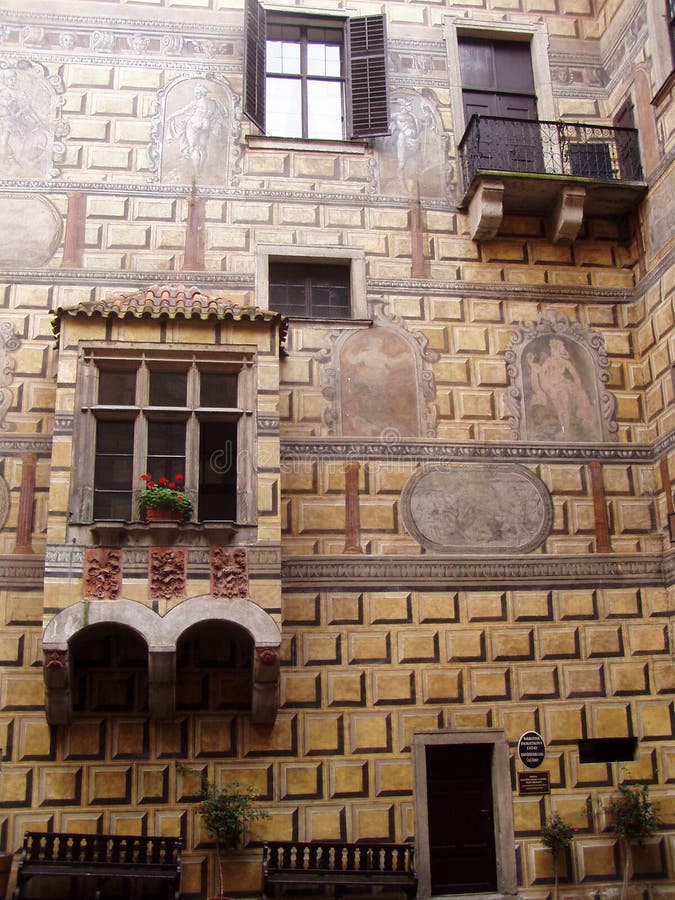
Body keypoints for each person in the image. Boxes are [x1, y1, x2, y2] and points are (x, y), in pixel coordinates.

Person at [528, 338, 596, 439]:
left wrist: (578, 387)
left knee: (563, 409)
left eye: (560, 347)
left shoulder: (564, 362)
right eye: (560, 347)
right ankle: (566, 430)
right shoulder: (548, 361)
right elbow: (540, 373)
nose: (561, 349)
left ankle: (567, 431)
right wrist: (533, 366)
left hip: (562, 387)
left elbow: (575, 375)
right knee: (561, 410)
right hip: (553, 389)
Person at [167, 84, 228, 175]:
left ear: (201, 93)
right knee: (202, 148)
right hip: (206, 125)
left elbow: (183, 111)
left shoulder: (197, 102)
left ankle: (197, 172)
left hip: (194, 124)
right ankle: (201, 168)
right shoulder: (213, 102)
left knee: (194, 148)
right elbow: (224, 113)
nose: (195, 95)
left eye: (197, 93)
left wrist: (172, 116)